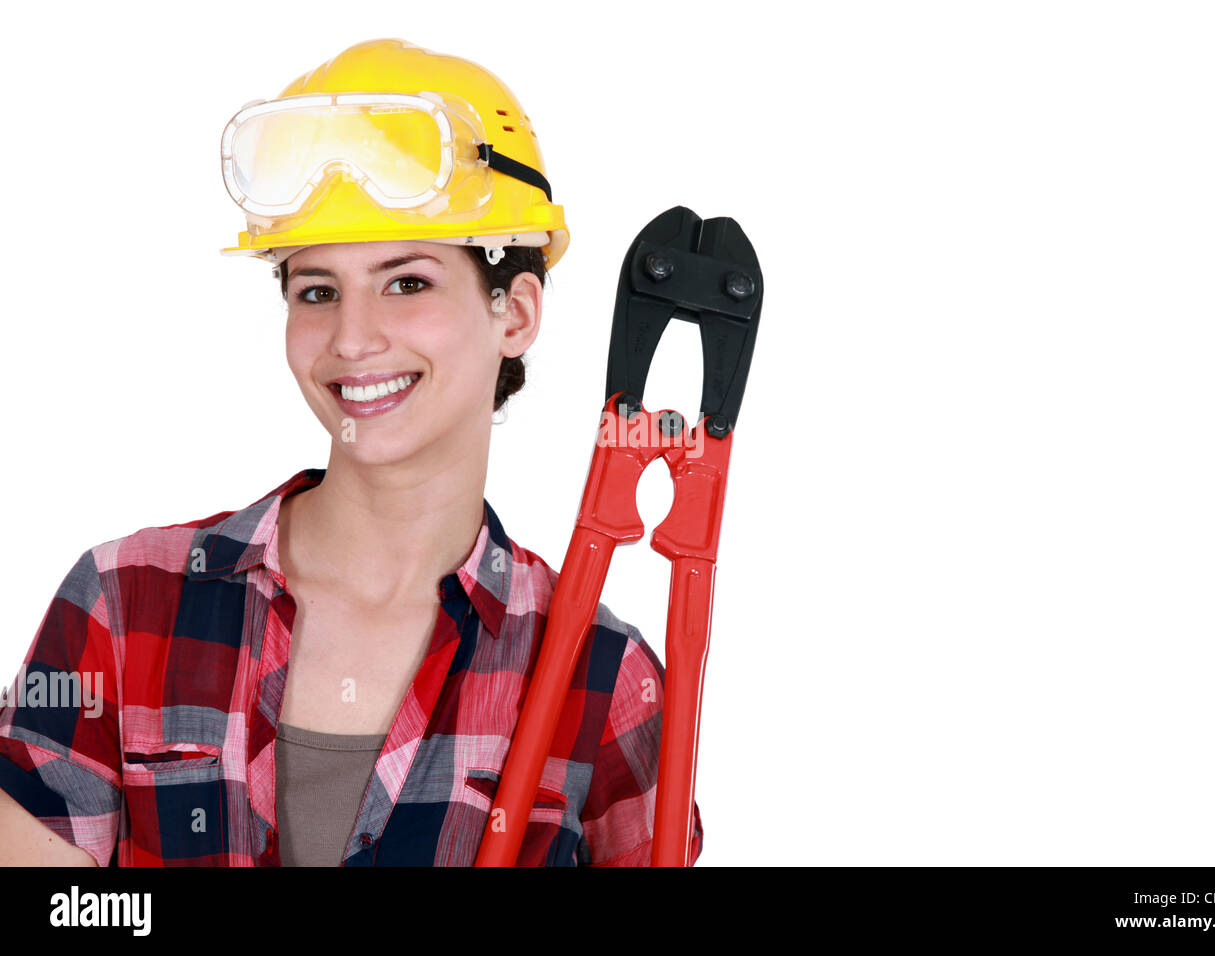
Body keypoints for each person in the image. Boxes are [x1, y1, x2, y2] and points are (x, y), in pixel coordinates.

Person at [0, 37, 703, 867]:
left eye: (407, 282)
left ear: (514, 313)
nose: (352, 337)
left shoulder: (605, 681)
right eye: (317, 291)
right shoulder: (123, 609)